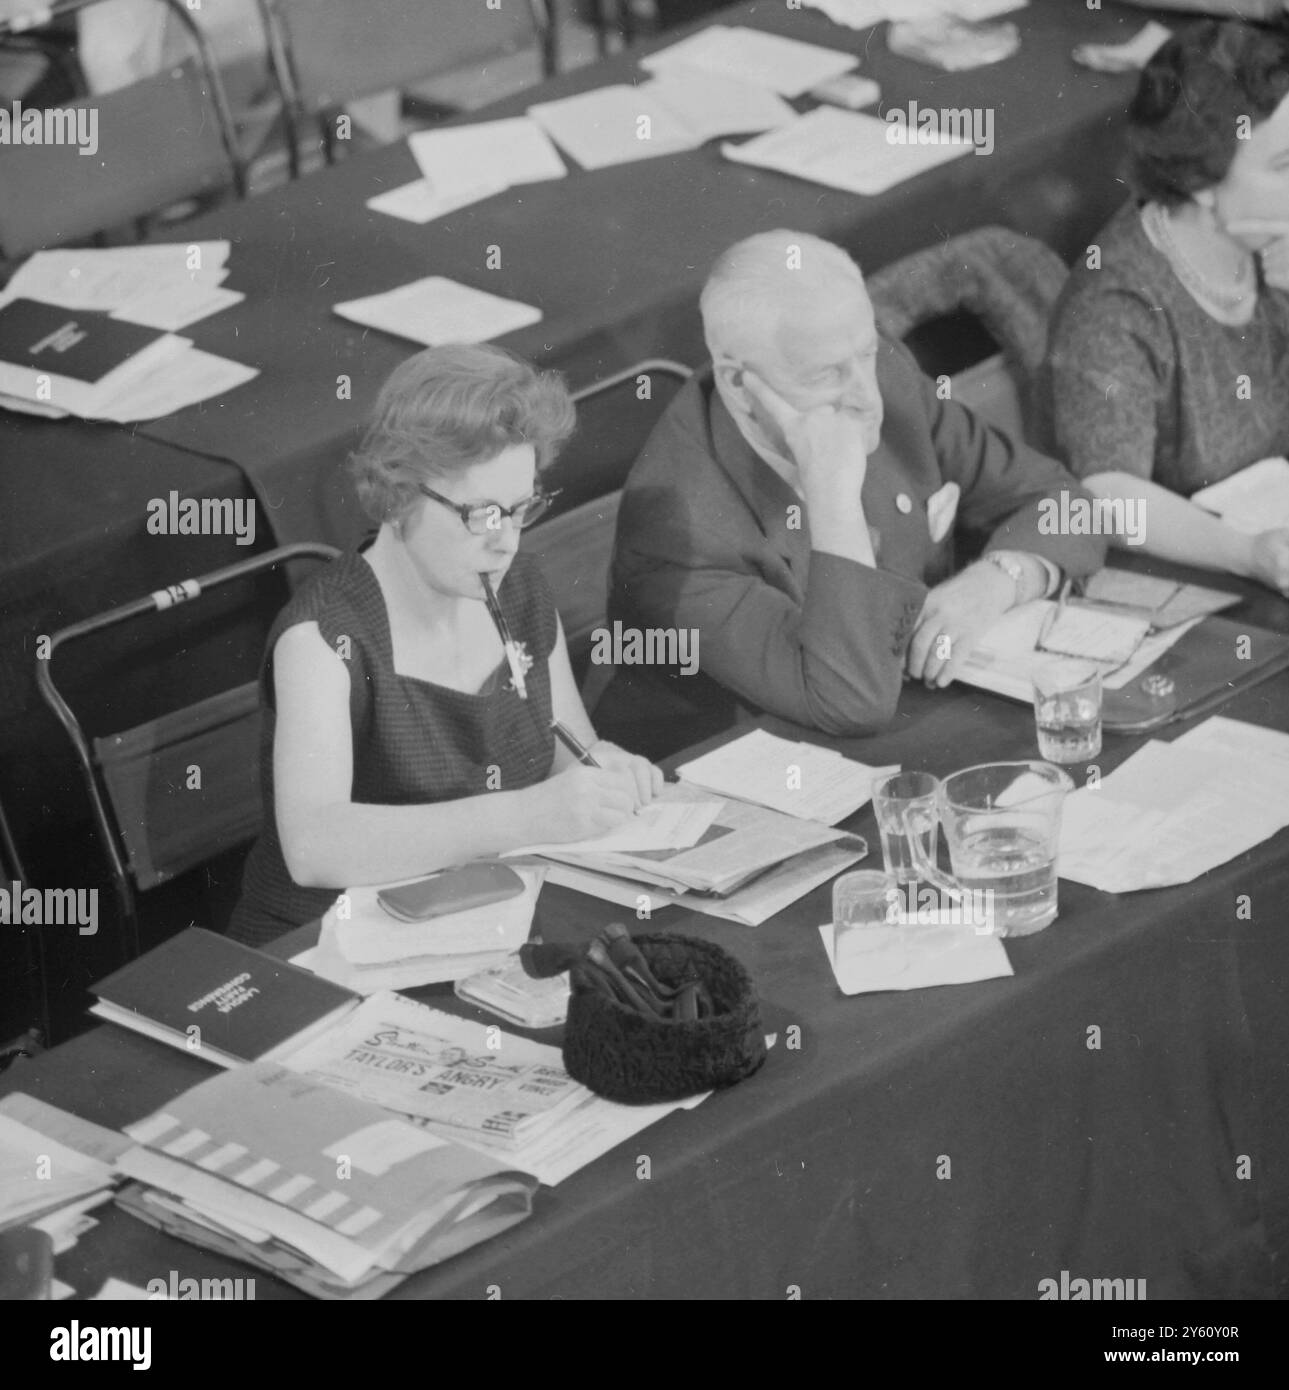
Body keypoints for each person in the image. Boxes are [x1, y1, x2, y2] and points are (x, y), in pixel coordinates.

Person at [598, 231, 1107, 755]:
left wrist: (996, 582)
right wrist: (833, 499)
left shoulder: (882, 377)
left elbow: (1067, 503)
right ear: (737, 385)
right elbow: (848, 699)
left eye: (865, 352)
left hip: (908, 723)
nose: (866, 397)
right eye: (827, 375)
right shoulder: (677, 536)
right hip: (746, 781)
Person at [229, 344, 660, 948]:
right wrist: (526, 815)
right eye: (482, 514)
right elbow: (314, 847)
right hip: (324, 948)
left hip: (467, 920)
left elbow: (569, 746)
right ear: (400, 493)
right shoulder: (324, 637)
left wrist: (603, 775)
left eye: (521, 509)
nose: (505, 541)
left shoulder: (521, 590)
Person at [1041, 20, 1289, 594]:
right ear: (1202, 180)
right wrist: (1251, 554)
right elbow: (1109, 493)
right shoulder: (1117, 305)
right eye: (1284, 167)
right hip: (1204, 576)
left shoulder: (1262, 237)